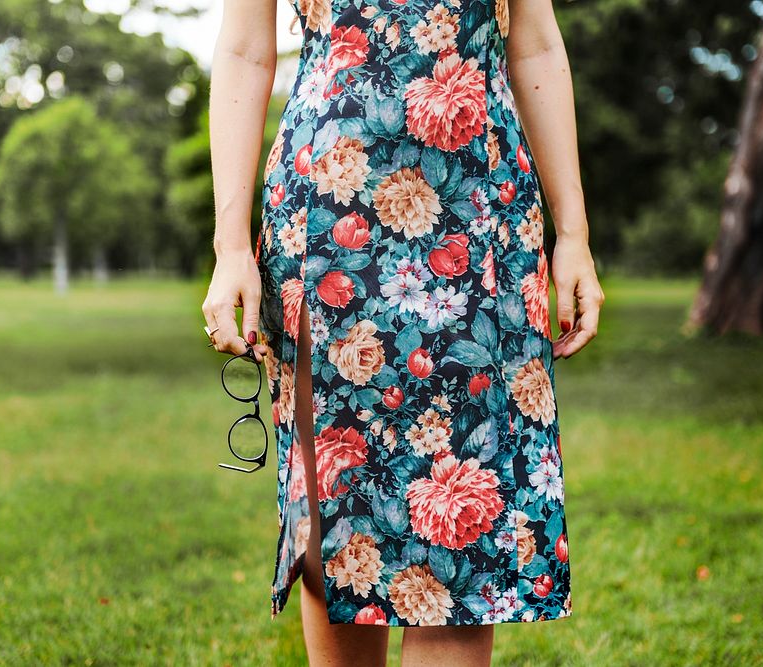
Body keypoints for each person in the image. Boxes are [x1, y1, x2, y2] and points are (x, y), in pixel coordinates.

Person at [202, 0, 604, 664]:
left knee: (463, 536)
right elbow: (245, 50)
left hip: (481, 214)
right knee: (338, 516)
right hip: (330, 208)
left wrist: (576, 235)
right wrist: (230, 248)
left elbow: (535, 44)